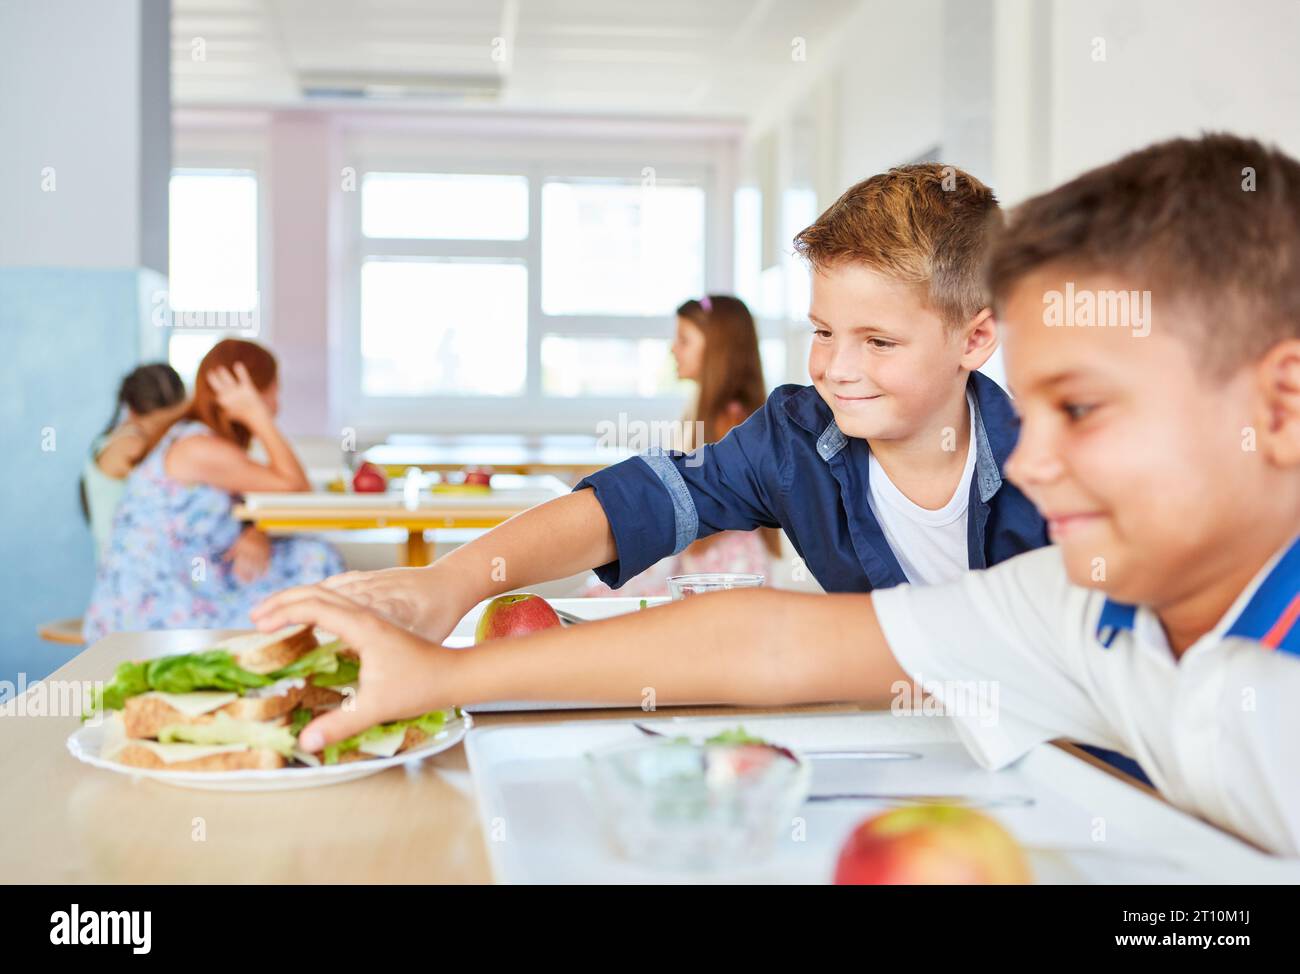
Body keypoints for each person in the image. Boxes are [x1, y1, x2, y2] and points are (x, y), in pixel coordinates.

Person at [254, 134, 1300, 855]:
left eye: (1085, 410)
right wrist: (443, 639)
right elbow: (763, 633)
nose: (1033, 459)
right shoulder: (1077, 602)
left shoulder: (1071, 563)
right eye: (823, 332)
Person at [256, 164, 1045, 650]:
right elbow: (636, 500)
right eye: (823, 331)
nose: (837, 368)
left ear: (976, 340)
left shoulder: (1050, 469)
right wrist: (451, 585)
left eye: (878, 342)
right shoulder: (794, 439)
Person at [83, 339, 343, 641]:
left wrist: (255, 532)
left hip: (187, 580)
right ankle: (305, 668)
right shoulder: (198, 446)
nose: (277, 403)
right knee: (315, 558)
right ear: (255, 391)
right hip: (155, 602)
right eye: (274, 389)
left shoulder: (195, 438)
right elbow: (297, 488)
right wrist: (257, 416)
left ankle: (303, 667)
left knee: (308, 555)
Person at [586, 295, 779, 597]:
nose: (673, 348)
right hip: (702, 571)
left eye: (684, 340)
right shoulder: (702, 414)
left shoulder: (730, 421)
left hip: (728, 577)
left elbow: (687, 522)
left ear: (718, 350)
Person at [80, 363, 189, 560]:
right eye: (164, 424)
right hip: (129, 569)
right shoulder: (130, 444)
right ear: (133, 412)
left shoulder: (113, 440)